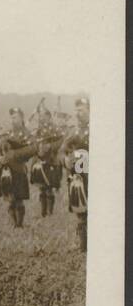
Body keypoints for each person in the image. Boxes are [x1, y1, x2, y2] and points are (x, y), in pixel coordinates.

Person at [59, 98, 90, 252]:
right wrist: (65, 160)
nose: (78, 114)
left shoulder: (99, 129)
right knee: (80, 211)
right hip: (76, 177)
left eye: (82, 110)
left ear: (90, 111)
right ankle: (82, 245)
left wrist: (79, 156)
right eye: (76, 110)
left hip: (92, 176)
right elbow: (62, 150)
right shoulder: (72, 131)